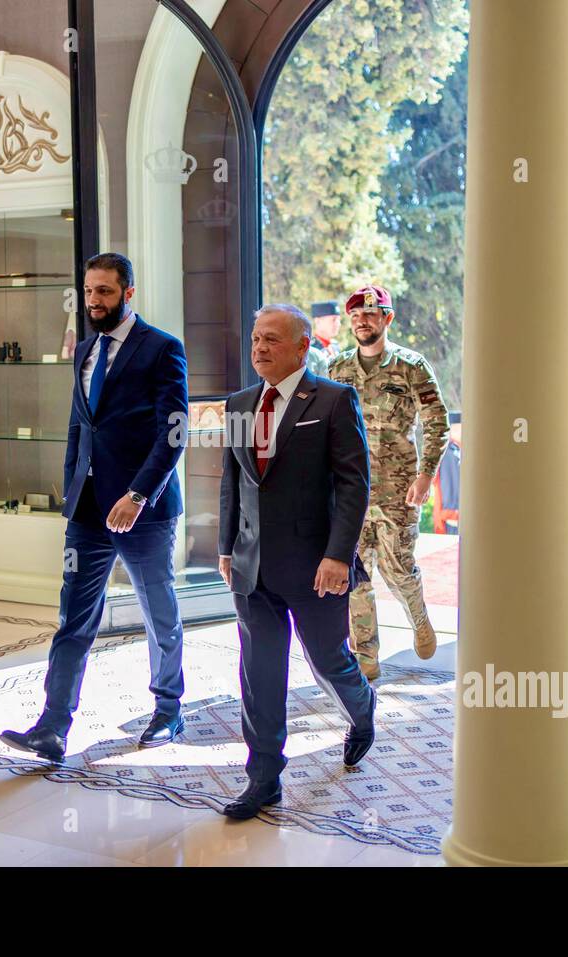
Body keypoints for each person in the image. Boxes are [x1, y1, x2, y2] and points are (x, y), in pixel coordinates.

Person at [0, 253, 189, 763]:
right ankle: (52, 727)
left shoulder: (162, 349)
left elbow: (174, 435)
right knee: (73, 618)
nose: (93, 301)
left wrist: (138, 494)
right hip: (86, 510)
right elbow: (82, 426)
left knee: (157, 611)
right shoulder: (84, 349)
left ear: (129, 293)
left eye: (104, 292)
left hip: (142, 509)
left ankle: (169, 710)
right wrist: (70, 487)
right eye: (88, 291)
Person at [217, 303, 375, 820]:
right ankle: (263, 779)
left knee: (328, 660)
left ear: (302, 346)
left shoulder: (332, 400)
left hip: (314, 566)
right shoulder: (240, 404)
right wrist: (225, 546)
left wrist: (338, 555)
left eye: (272, 340)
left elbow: (353, 485)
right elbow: (233, 483)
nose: (259, 348)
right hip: (251, 566)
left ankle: (363, 708)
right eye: (256, 338)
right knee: (259, 672)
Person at [328, 284, 449, 680]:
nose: (363, 321)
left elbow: (437, 424)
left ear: (387, 318)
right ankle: (366, 656)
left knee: (399, 571)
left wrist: (425, 474)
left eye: (371, 313)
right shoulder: (338, 369)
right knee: (356, 575)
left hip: (399, 488)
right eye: (356, 316)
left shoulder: (412, 367)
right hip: (351, 490)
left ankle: (419, 619)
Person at [304, 300, 340, 378]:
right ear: (318, 321)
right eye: (333, 319)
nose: (338, 324)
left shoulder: (335, 346)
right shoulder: (309, 348)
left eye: (338, 319)